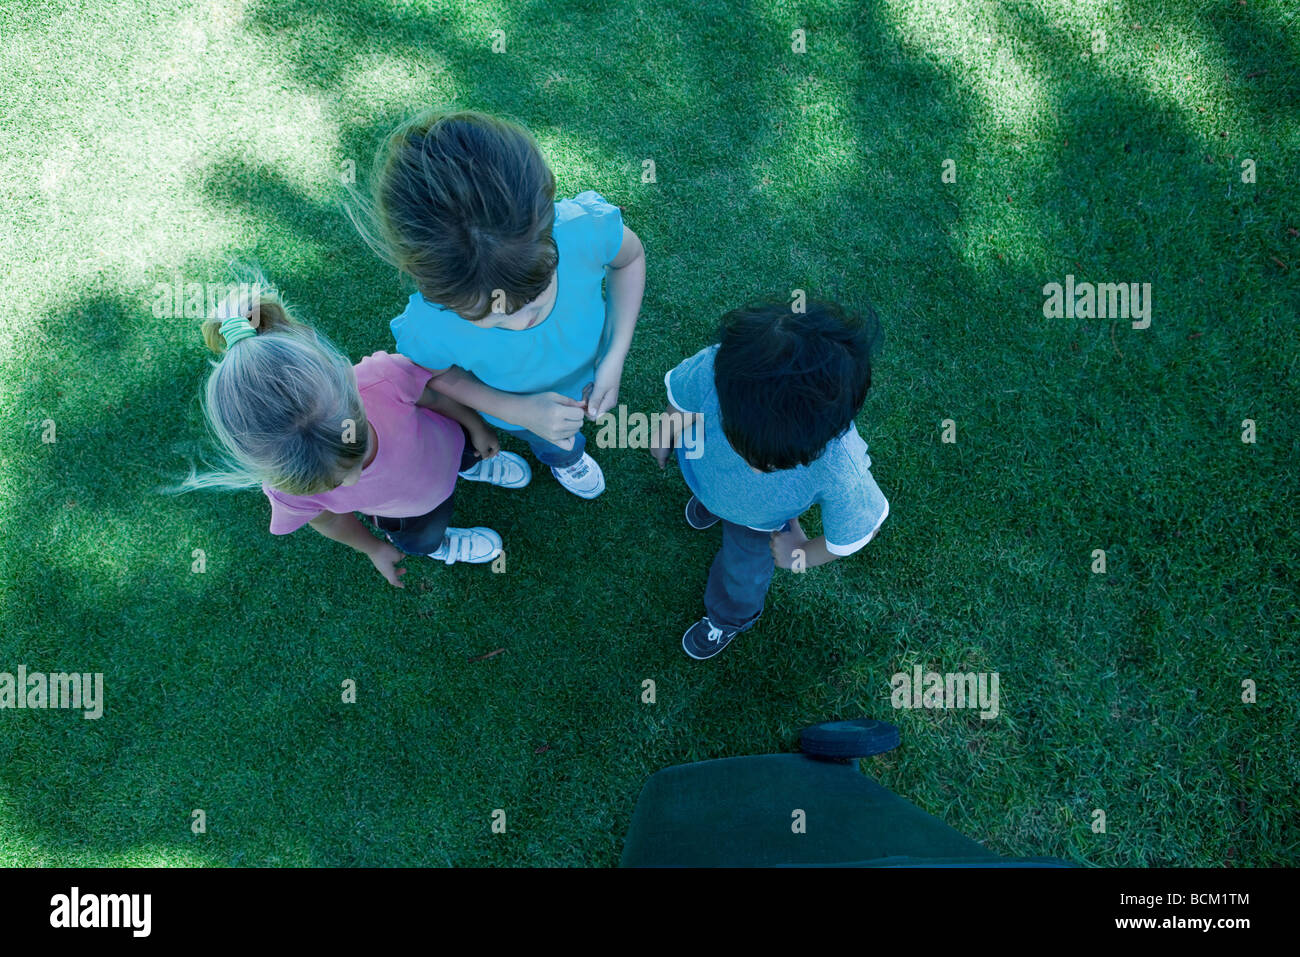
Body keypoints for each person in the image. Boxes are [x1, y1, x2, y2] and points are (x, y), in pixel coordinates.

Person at [348, 109, 646, 499]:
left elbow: (630, 259)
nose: (522, 323)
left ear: (549, 221)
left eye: (536, 301)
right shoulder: (428, 325)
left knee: (559, 434)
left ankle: (564, 454)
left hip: (590, 372)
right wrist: (516, 412)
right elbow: (436, 374)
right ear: (434, 287)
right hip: (517, 411)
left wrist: (613, 357)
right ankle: (566, 459)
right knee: (553, 443)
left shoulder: (582, 231)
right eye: (490, 318)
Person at [182, 278, 529, 586]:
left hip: (449, 443)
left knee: (466, 452)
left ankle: (471, 464)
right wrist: (373, 548)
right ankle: (440, 544)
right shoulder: (288, 489)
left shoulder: (381, 378)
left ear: (349, 382)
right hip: (409, 515)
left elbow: (433, 395)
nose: (350, 483)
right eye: (332, 483)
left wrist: (475, 425)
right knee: (424, 536)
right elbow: (329, 520)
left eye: (355, 456)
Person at [652, 299, 889, 658]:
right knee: (713, 489)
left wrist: (802, 554)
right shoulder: (719, 368)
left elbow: (862, 528)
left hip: (760, 524)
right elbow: (682, 401)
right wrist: (663, 436)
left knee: (742, 575)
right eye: (741, 444)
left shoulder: (842, 464)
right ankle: (712, 504)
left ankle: (728, 618)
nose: (754, 469)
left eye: (775, 464)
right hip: (705, 474)